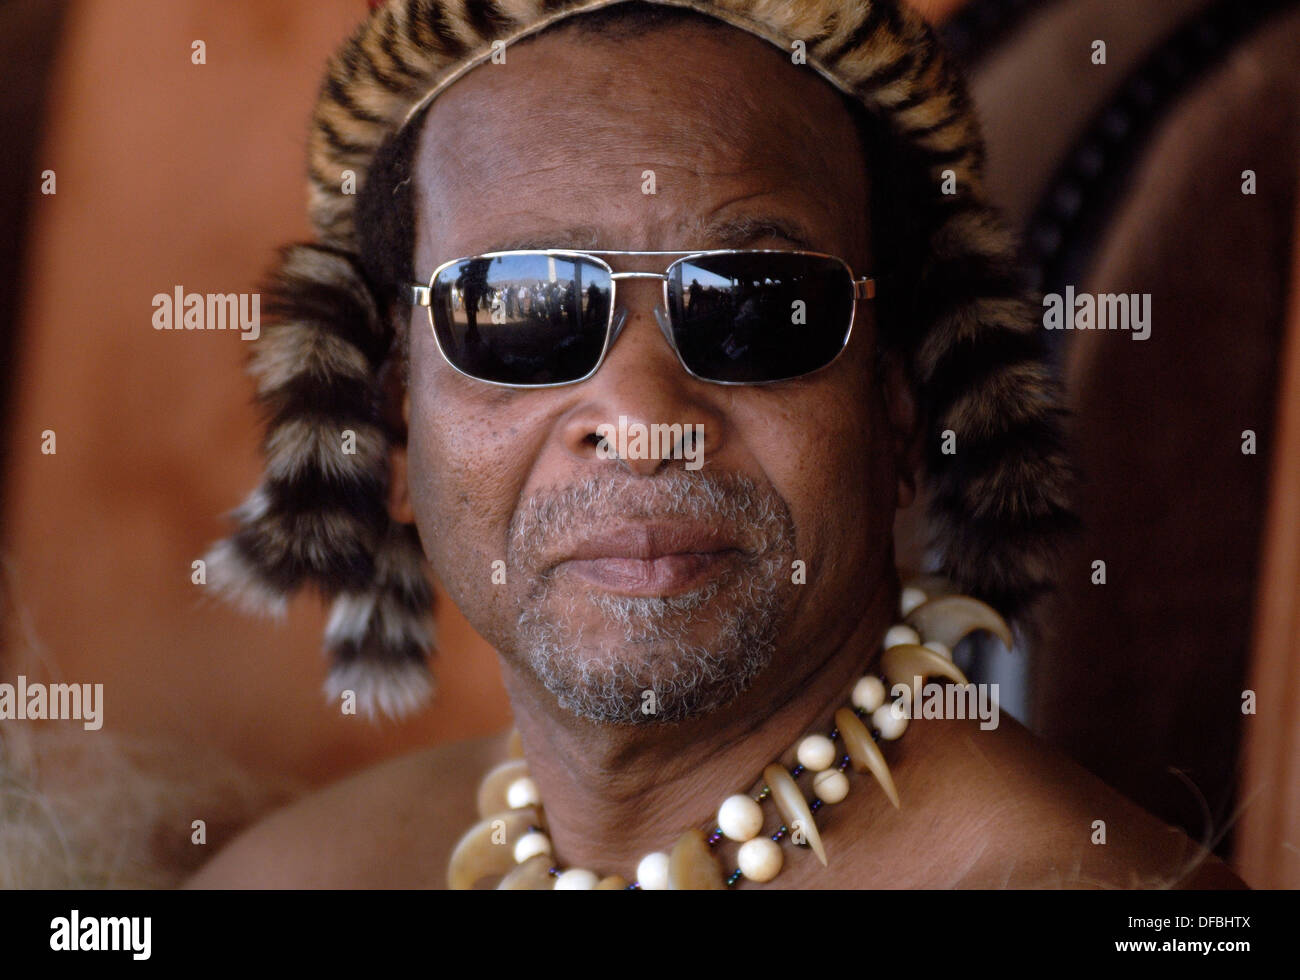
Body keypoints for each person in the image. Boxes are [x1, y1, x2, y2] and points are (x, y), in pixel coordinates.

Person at [187, 0, 1244, 888]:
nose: (644, 419)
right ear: (396, 431)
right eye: (520, 311)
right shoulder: (297, 873)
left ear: (897, 408)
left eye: (758, 307)